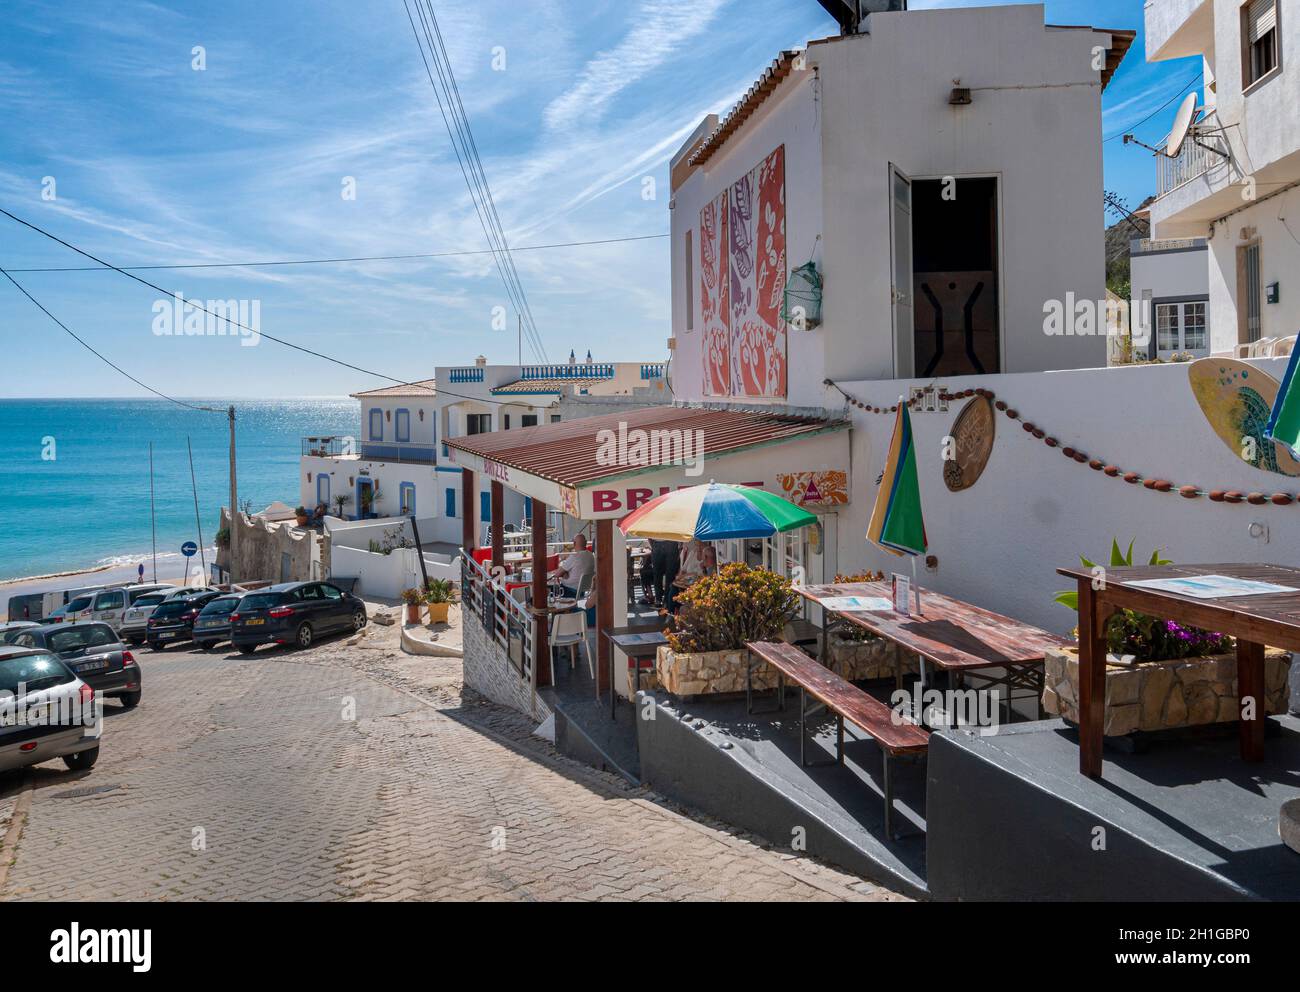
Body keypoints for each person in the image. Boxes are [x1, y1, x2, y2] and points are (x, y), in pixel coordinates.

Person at [671, 539, 717, 614]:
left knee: (678, 596)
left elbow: (705, 582)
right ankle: (672, 612)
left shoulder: (712, 570)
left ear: (705, 557)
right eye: (697, 546)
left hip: (696, 590)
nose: (698, 548)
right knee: (673, 588)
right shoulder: (694, 554)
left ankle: (673, 614)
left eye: (701, 546)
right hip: (689, 584)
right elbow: (683, 570)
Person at [650, 538, 681, 614]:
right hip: (664, 542)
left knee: (668, 574)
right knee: (658, 574)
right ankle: (661, 600)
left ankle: (664, 601)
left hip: (669, 542)